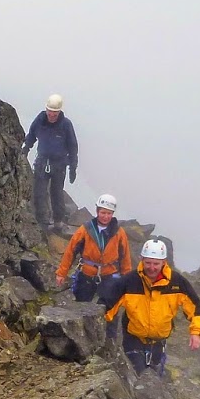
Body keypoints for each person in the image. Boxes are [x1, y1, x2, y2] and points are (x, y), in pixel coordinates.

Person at [100, 238, 200, 373]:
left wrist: (196, 333)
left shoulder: (177, 283)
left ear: (164, 262)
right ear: (141, 260)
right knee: (138, 377)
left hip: (159, 343)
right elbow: (106, 307)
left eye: (156, 264)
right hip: (133, 339)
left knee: (154, 381)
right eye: (148, 263)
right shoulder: (129, 282)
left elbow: (198, 311)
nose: (152, 268)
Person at [55, 193, 131, 302]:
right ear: (97, 211)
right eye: (103, 213)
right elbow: (71, 251)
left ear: (113, 214)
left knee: (108, 307)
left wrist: (126, 279)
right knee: (81, 305)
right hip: (87, 274)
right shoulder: (86, 229)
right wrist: (61, 273)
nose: (105, 216)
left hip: (109, 274)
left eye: (109, 213)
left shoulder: (119, 232)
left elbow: (125, 257)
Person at [22, 94, 78, 229]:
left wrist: (73, 167)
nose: (52, 115)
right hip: (42, 162)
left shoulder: (66, 125)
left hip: (59, 164)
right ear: (46, 110)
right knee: (39, 192)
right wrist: (26, 149)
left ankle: (58, 221)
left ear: (59, 112)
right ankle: (42, 221)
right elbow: (31, 135)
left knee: (57, 192)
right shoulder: (39, 120)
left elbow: (72, 146)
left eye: (55, 112)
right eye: (50, 112)